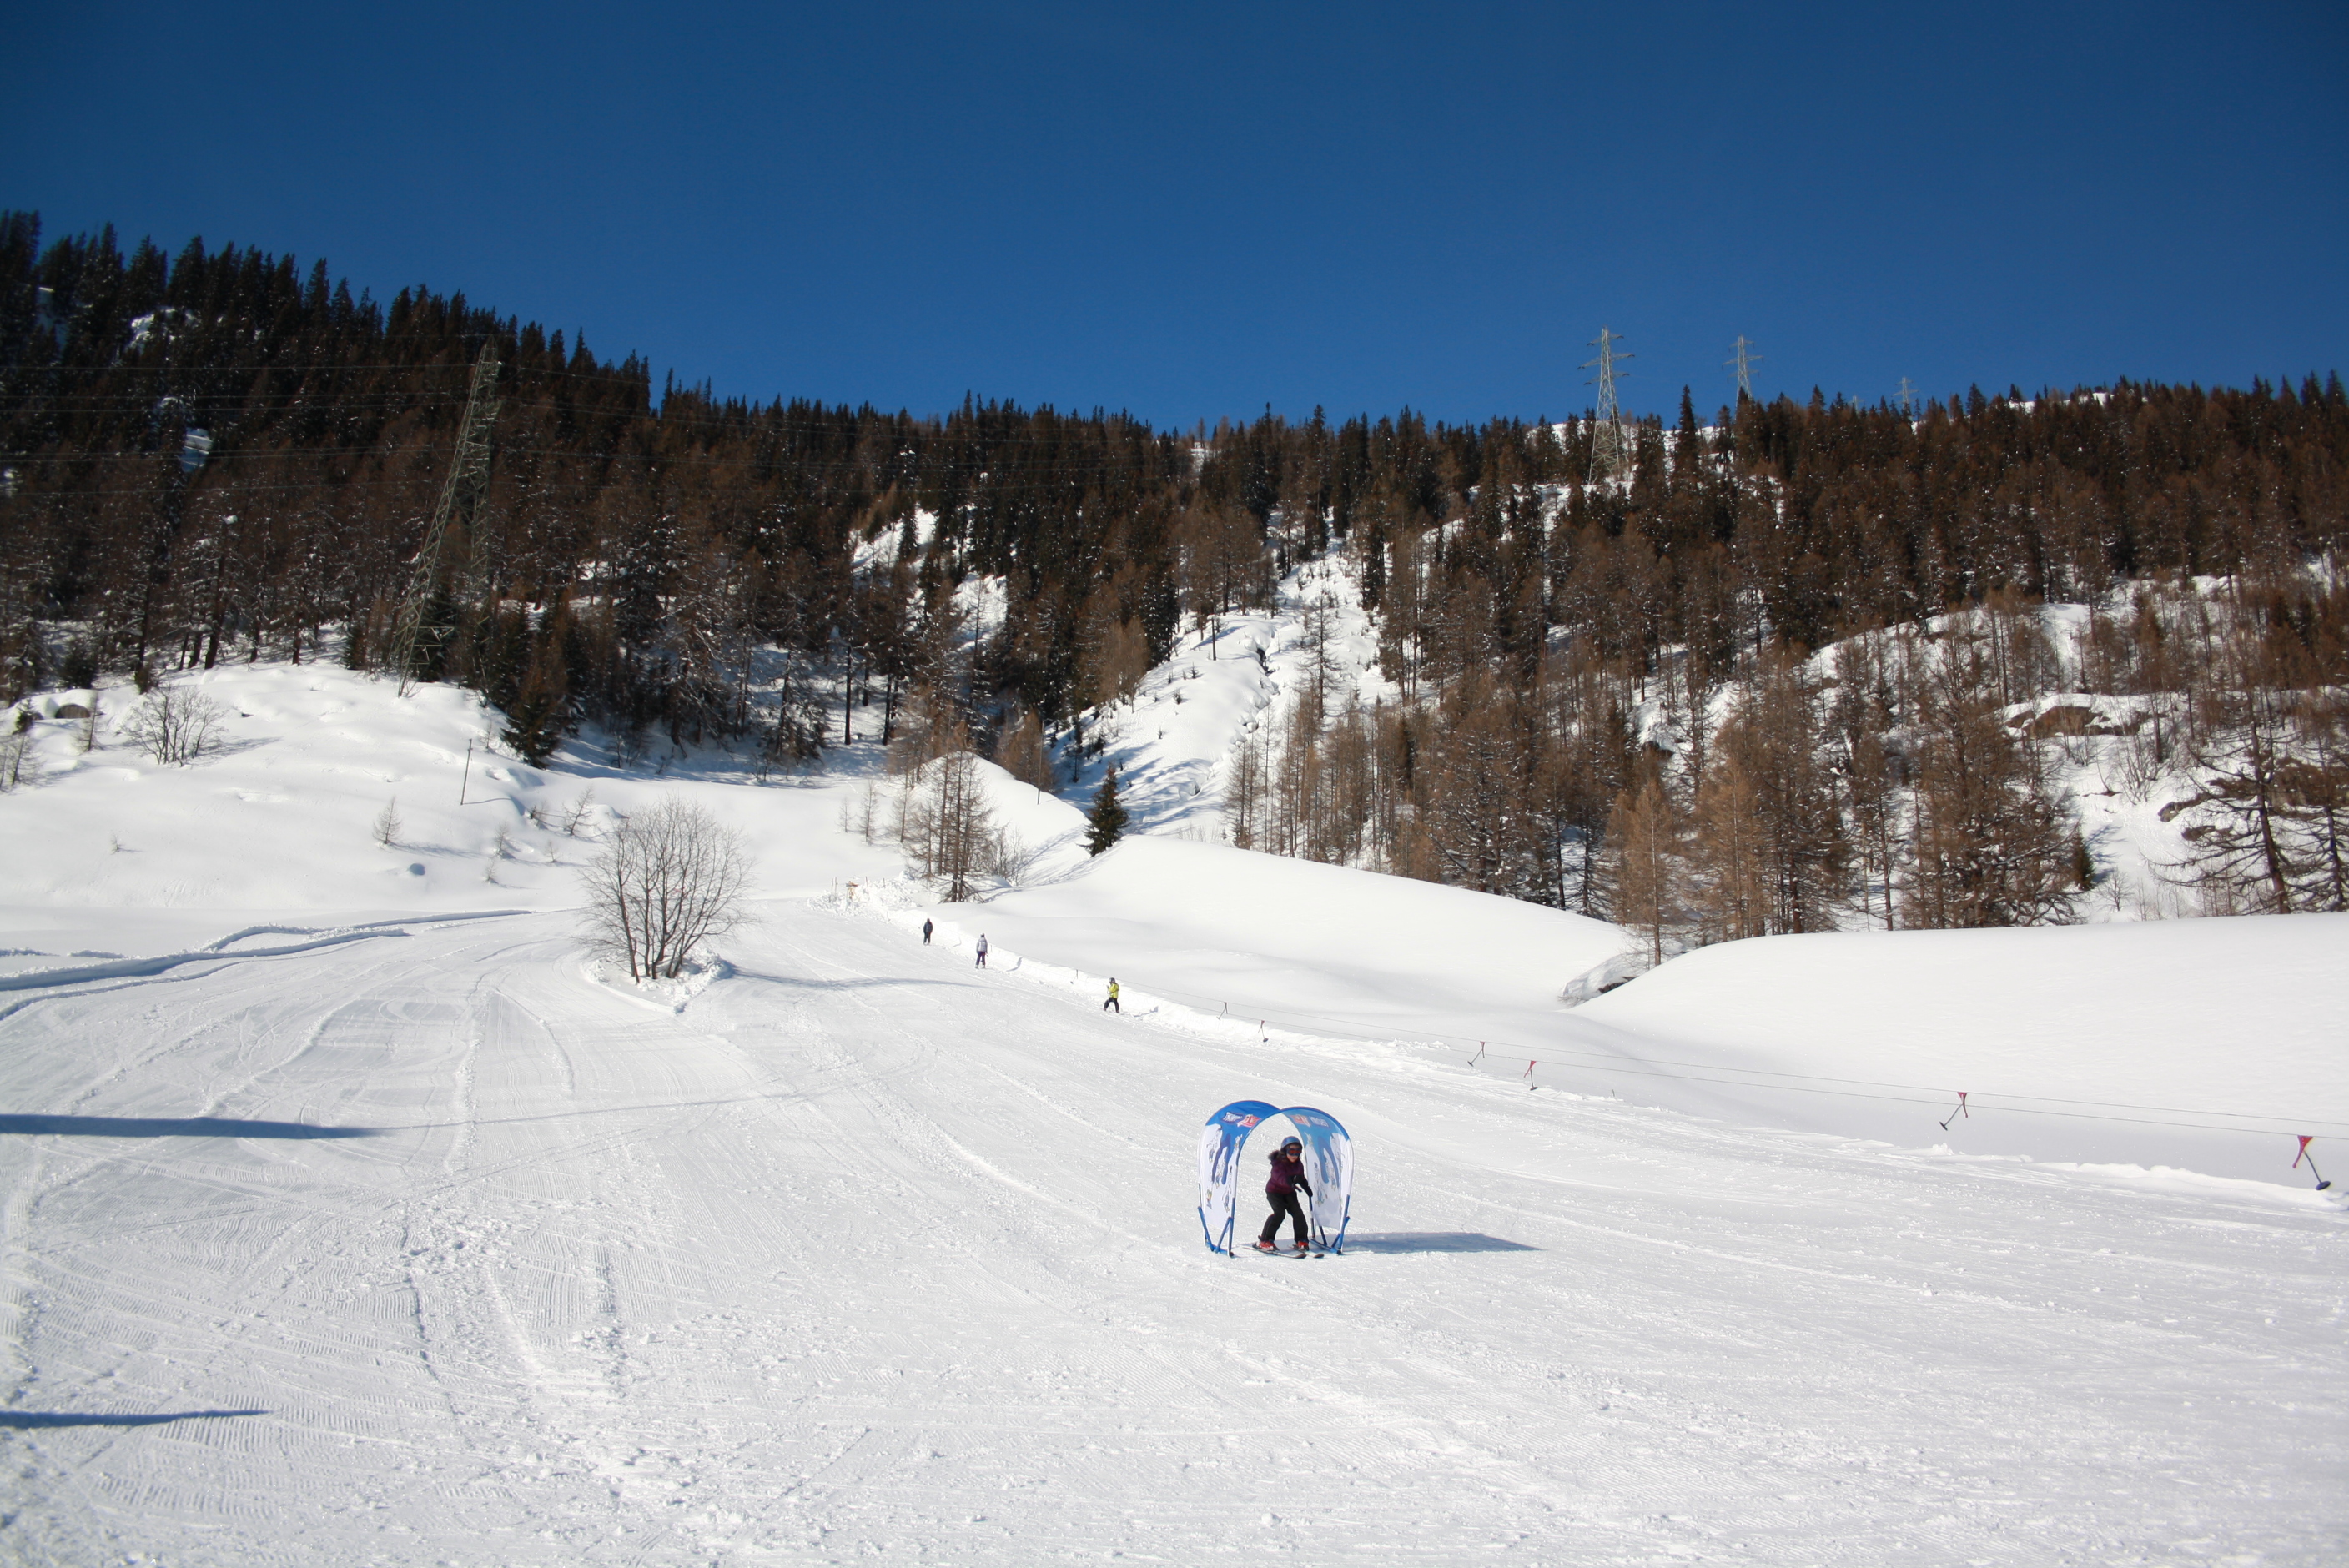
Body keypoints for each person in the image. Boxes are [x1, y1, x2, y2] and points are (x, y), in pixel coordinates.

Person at [1253, 1136, 1314, 1254]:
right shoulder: (1278, 1164)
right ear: (1285, 1151)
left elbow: (1300, 1177)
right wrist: (1290, 1182)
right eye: (1292, 1151)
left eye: (1298, 1152)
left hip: (1289, 1192)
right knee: (1279, 1214)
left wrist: (1306, 1187)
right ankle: (1266, 1240)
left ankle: (1301, 1240)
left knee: (1298, 1214)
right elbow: (1279, 1178)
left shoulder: (1298, 1164)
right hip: (1274, 1192)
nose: (1294, 1155)